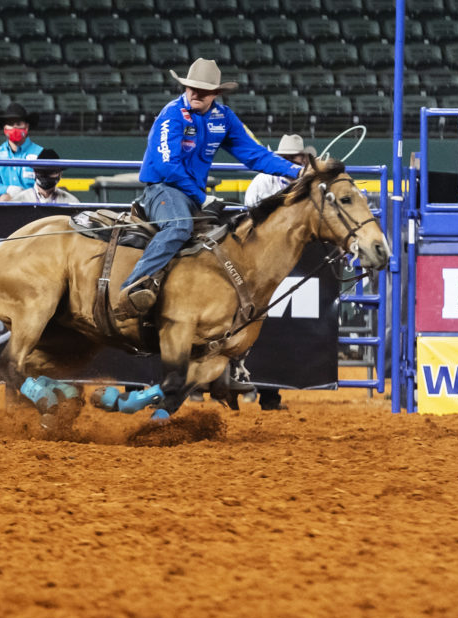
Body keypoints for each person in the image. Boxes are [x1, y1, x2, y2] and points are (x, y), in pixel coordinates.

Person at [115, 59, 302, 322]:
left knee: (223, 240)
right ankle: (131, 290)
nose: (195, 93)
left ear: (216, 94)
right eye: (191, 87)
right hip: (163, 189)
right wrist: (203, 198)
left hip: (191, 193)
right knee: (179, 226)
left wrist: (296, 172)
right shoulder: (171, 115)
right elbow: (168, 167)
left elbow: (254, 154)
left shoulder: (223, 118)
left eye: (203, 90)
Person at [241, 134, 315, 410]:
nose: (294, 161)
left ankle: (269, 395)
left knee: (274, 331)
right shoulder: (263, 182)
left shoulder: (307, 186)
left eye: (297, 157)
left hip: (287, 265)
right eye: (288, 158)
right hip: (261, 265)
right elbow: (250, 221)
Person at [0, 101, 43, 200]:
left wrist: (26, 194)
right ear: (5, 128)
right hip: (4, 207)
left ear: (26, 127)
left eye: (18, 124)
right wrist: (8, 189)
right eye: (10, 124)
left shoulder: (41, 154)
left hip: (33, 205)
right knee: (4, 199)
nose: (14, 128)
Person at [244, 134, 315, 207]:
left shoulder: (309, 181)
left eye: (293, 156)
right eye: (284, 157)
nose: (288, 161)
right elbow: (250, 207)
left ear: (304, 158)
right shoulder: (263, 180)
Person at [5, 148, 81, 204]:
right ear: (34, 172)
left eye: (51, 172)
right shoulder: (19, 200)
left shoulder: (71, 202)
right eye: (41, 171)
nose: (46, 176)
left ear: (60, 174)